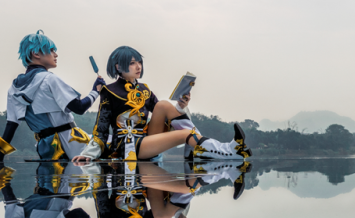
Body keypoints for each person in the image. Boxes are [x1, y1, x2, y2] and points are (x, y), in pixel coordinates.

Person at [91, 45, 249, 164]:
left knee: (164, 105)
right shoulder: (109, 91)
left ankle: (204, 149)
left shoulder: (144, 89)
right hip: (128, 146)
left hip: (147, 140)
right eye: (132, 63)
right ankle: (227, 150)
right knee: (186, 134)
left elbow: (167, 117)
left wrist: (180, 106)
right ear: (118, 67)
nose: (138, 66)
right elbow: (101, 130)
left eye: (139, 62)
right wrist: (88, 155)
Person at [0, 31, 103, 164]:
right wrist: (96, 91)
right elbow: (79, 108)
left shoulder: (14, 88)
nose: (56, 54)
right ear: (36, 53)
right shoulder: (50, 79)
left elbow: (12, 124)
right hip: (73, 142)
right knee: (111, 144)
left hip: (45, 146)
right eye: (51, 50)